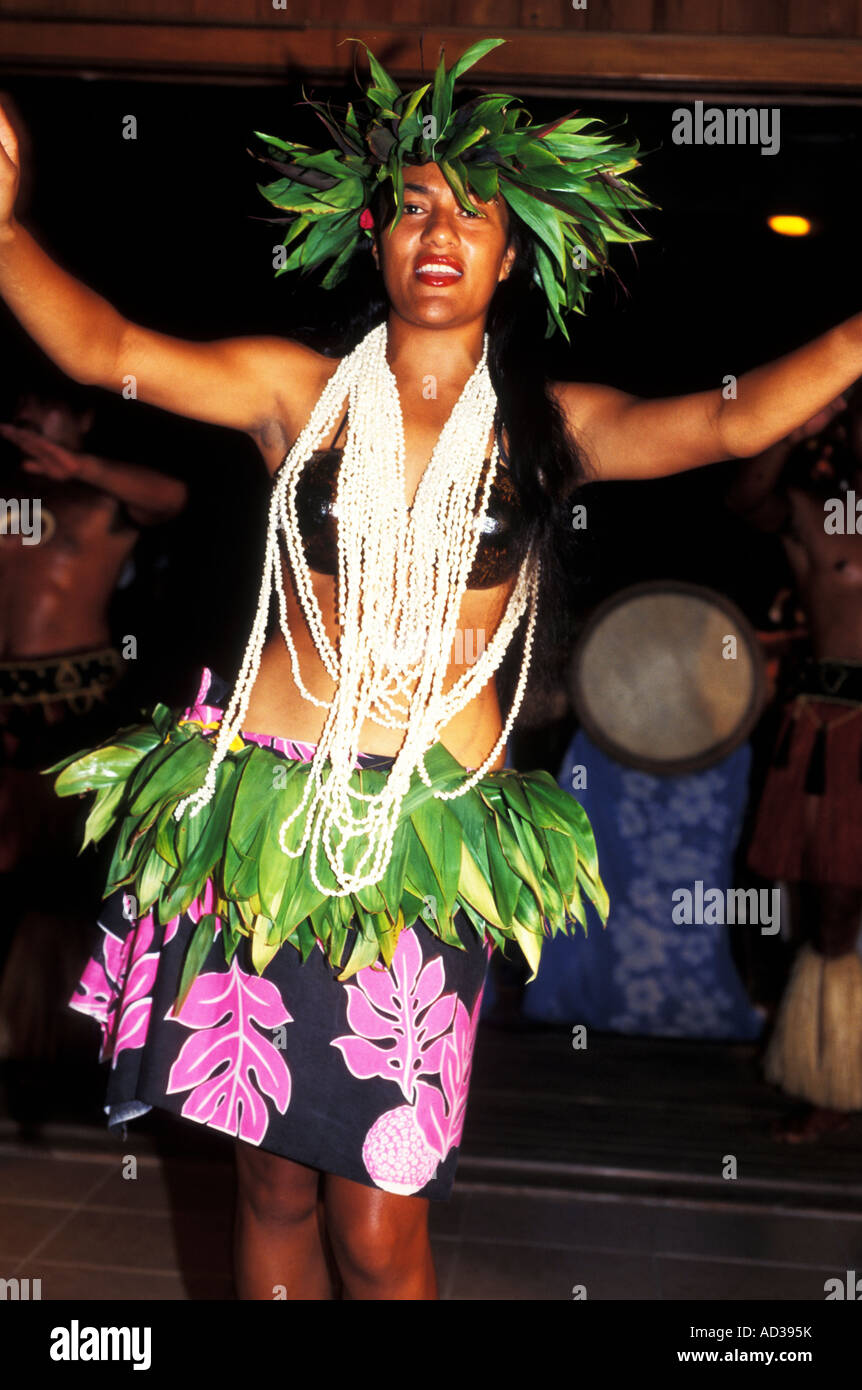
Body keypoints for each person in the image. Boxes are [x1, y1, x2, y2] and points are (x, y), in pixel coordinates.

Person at [1, 36, 861, 1301]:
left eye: (473, 213)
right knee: (270, 1185)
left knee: (382, 1215)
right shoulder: (299, 394)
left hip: (419, 844)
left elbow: (731, 419)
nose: (439, 232)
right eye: (411, 209)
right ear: (374, 239)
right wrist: (8, 233)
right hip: (264, 825)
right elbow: (102, 346)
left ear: (514, 255)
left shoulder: (547, 429)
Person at [0, 374, 187, 1124]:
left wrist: (77, 470)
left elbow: (173, 498)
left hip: (79, 707)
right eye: (21, 408)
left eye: (46, 407)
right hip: (6, 702)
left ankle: (87, 1057)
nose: (29, 418)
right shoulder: (11, 503)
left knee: (74, 883)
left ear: (80, 420)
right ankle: (16, 1047)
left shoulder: (107, 499)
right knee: (9, 875)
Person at [727, 388, 862, 1142]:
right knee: (827, 905)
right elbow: (746, 495)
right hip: (831, 735)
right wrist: (792, 423)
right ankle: (826, 1077)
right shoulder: (818, 512)